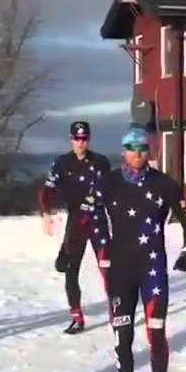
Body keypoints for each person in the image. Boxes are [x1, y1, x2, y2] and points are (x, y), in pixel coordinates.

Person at [87, 127, 186, 372]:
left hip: (152, 271)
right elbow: (90, 215)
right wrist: (100, 247)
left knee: (156, 333)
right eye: (131, 147)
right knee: (122, 337)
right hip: (121, 272)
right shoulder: (107, 182)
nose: (137, 153)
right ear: (123, 150)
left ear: (150, 151)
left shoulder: (164, 184)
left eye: (143, 148)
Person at [39, 120, 113, 334]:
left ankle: (116, 314)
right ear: (71, 139)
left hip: (97, 219)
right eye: (77, 139)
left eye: (84, 139)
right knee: (70, 270)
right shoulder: (62, 163)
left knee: (108, 269)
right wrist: (46, 213)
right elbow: (48, 190)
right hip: (76, 222)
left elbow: (109, 190)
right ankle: (77, 317)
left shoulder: (100, 161)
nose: (81, 143)